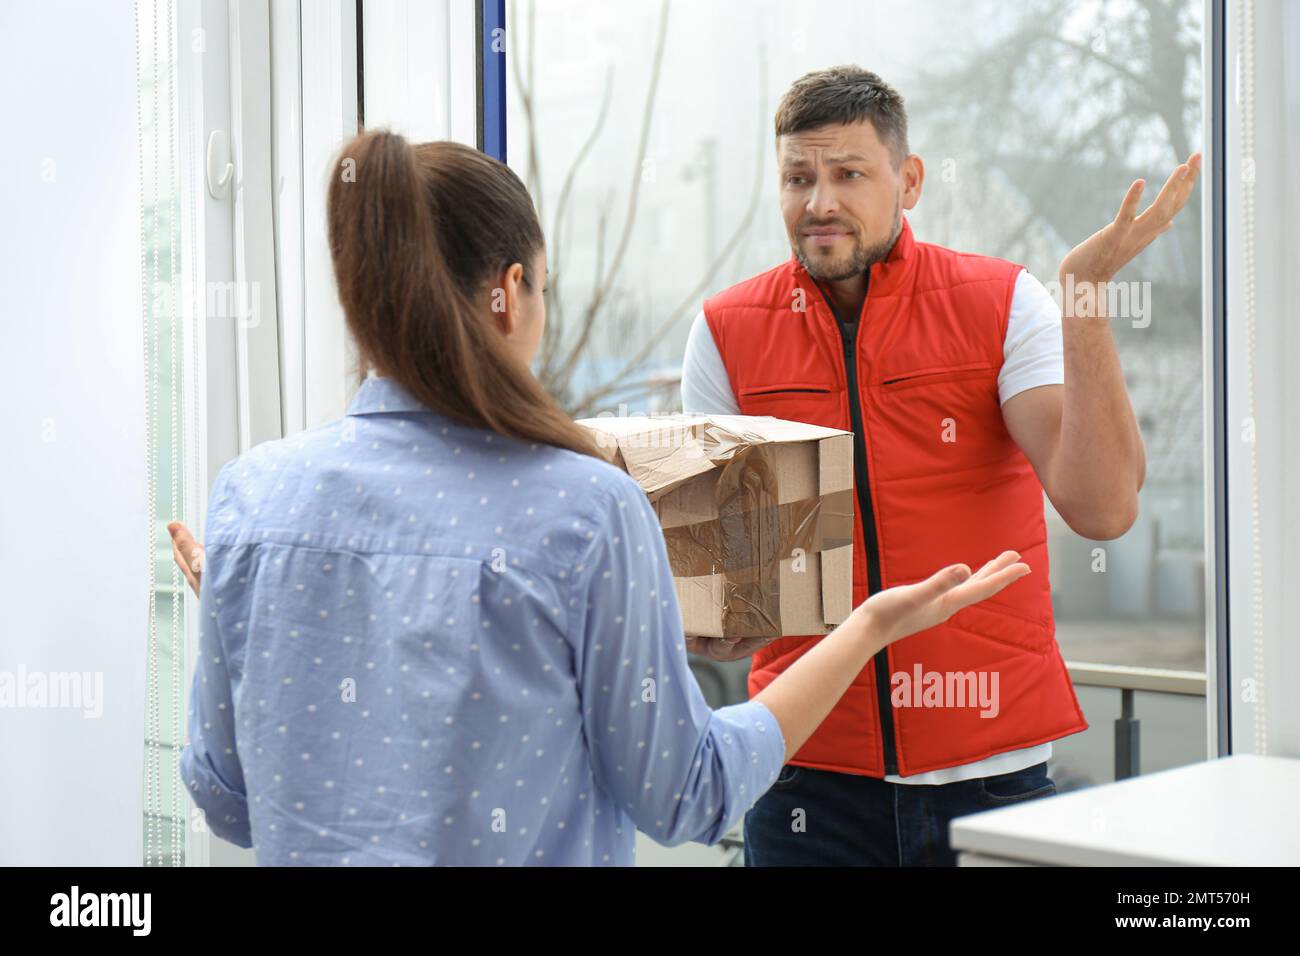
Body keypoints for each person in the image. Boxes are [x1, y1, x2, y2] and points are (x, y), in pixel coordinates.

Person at [169, 128, 1030, 866]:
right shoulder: (584, 508)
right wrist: (867, 629)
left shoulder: (253, 498)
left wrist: (250, 624)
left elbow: (231, 803)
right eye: (542, 286)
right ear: (509, 294)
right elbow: (689, 796)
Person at [679, 65, 1201, 866]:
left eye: (848, 174)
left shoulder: (1002, 302)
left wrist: (1085, 295)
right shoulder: (724, 332)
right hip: (801, 784)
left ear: (909, 181)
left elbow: (1101, 510)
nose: (819, 202)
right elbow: (730, 591)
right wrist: (710, 622)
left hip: (991, 777)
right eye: (797, 177)